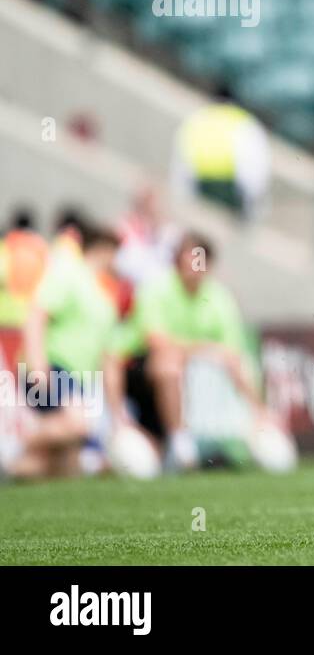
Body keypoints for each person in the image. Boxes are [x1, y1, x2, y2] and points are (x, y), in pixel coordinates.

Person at [105, 232, 269, 471]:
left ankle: (252, 423)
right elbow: (157, 342)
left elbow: (232, 354)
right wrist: (208, 349)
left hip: (189, 379)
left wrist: (259, 408)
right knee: (169, 363)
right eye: (188, 258)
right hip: (139, 373)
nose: (193, 266)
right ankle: (179, 441)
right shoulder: (156, 289)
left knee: (233, 365)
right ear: (177, 261)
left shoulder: (220, 297)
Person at [3, 222, 118, 480]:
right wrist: (37, 365)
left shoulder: (104, 293)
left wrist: (116, 412)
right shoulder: (69, 273)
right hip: (54, 366)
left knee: (56, 466)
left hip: (79, 379)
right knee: (77, 425)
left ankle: (14, 467)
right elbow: (37, 315)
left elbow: (108, 357)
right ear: (104, 249)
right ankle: (13, 445)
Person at [171, 87, 270, 219]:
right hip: (229, 192)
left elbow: (182, 160)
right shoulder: (245, 123)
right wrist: (251, 206)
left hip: (200, 187)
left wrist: (181, 195)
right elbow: (254, 168)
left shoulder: (198, 118)